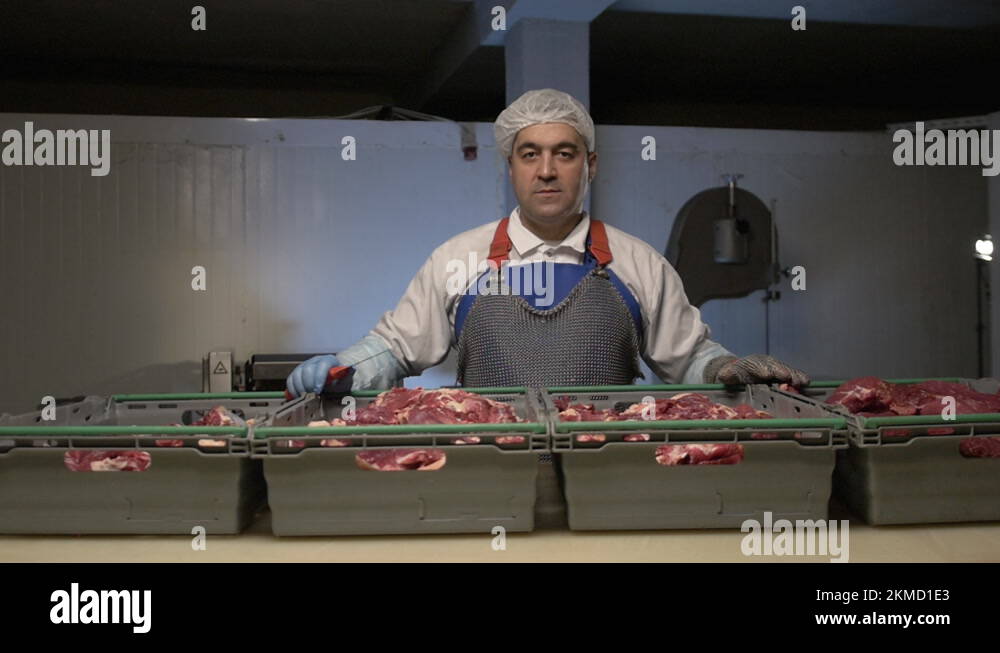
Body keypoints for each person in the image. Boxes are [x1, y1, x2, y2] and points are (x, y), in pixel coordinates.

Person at [287, 89, 808, 397]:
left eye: (565, 153)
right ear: (510, 168)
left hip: (607, 465)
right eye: (530, 154)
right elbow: (397, 349)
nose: (547, 171)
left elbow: (688, 357)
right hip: (490, 461)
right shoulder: (458, 258)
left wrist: (727, 368)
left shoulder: (638, 262)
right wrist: (342, 368)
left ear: (591, 165)